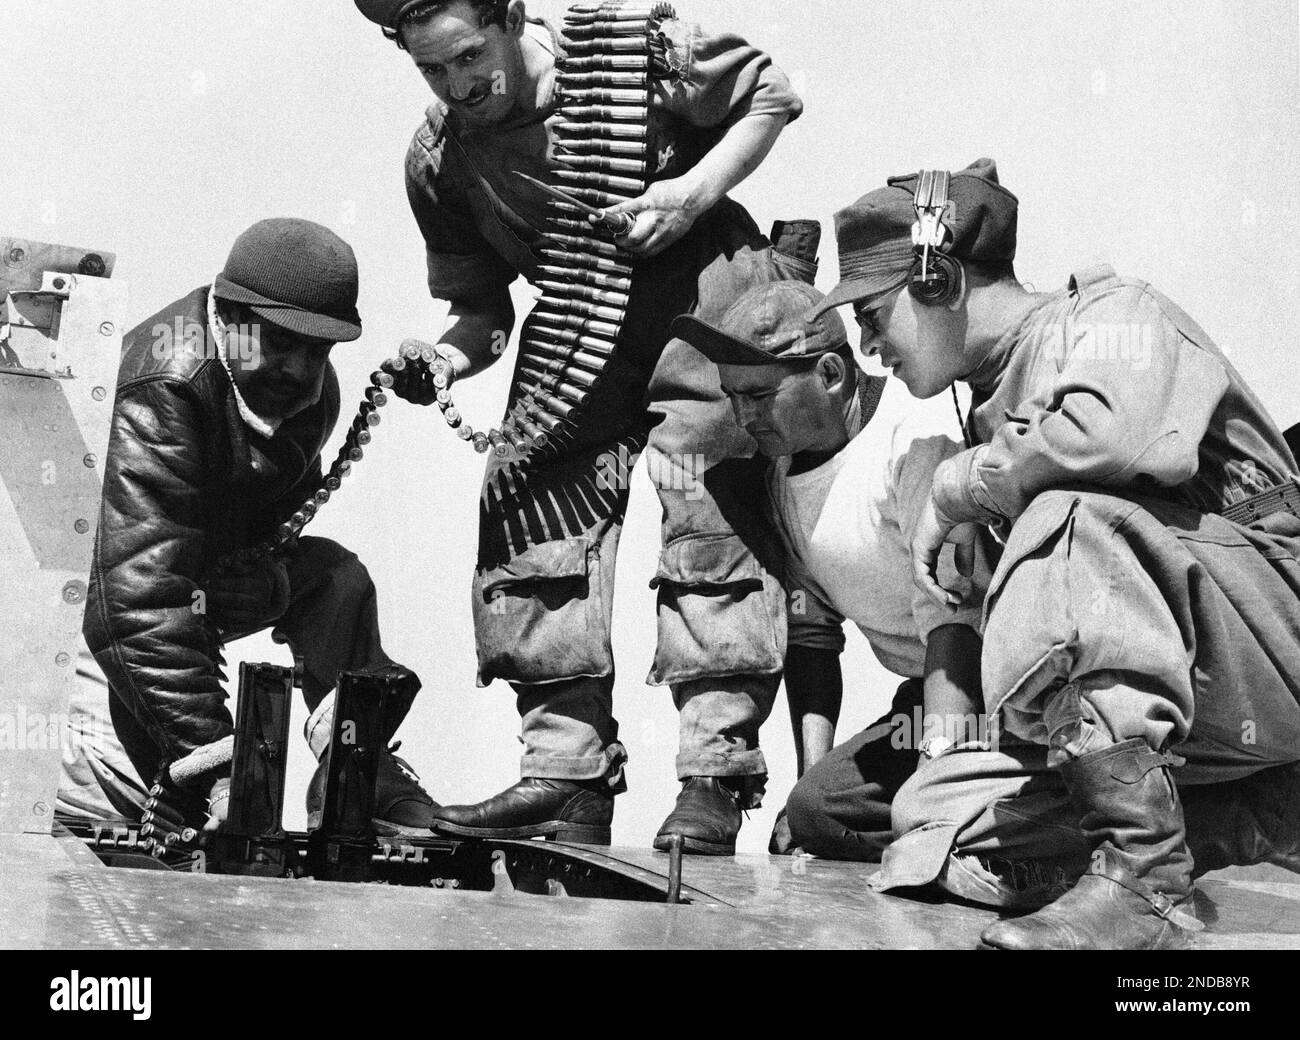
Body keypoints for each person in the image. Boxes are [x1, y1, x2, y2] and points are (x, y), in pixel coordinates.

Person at [352, 0, 805, 854]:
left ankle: (714, 776)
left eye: (468, 55)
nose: (459, 84)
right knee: (527, 510)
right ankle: (564, 774)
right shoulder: (442, 159)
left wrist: (688, 194)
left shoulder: (627, 51)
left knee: (712, 520)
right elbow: (481, 309)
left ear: (510, 15)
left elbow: (772, 94)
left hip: (705, 299)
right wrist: (447, 361)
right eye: (431, 69)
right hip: (574, 328)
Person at [813, 158, 1300, 949]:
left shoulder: (1115, 315)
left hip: (1274, 637)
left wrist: (956, 488)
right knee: (936, 814)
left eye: (872, 314)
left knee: (1070, 520)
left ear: (937, 279)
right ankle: (1255, 815)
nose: (869, 347)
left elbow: (1102, 440)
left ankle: (1145, 886)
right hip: (1191, 708)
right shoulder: (990, 400)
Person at [673, 279, 1090, 906]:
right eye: (734, 398)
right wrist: (803, 786)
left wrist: (938, 779)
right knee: (819, 815)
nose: (744, 417)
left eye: (759, 395)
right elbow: (814, 635)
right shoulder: (781, 474)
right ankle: (1009, 827)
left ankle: (1091, 829)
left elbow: (954, 618)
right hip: (925, 699)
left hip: (1011, 686)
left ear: (832, 373)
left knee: (929, 821)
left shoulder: (912, 436)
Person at [75, 218, 438, 836]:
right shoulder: (168, 383)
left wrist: (269, 577)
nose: (299, 371)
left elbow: (273, 528)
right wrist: (225, 768)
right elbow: (133, 599)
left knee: (335, 577)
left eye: (318, 351)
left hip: (185, 594)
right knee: (134, 822)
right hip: (107, 624)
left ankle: (359, 766)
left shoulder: (299, 392)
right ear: (229, 319)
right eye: (280, 342)